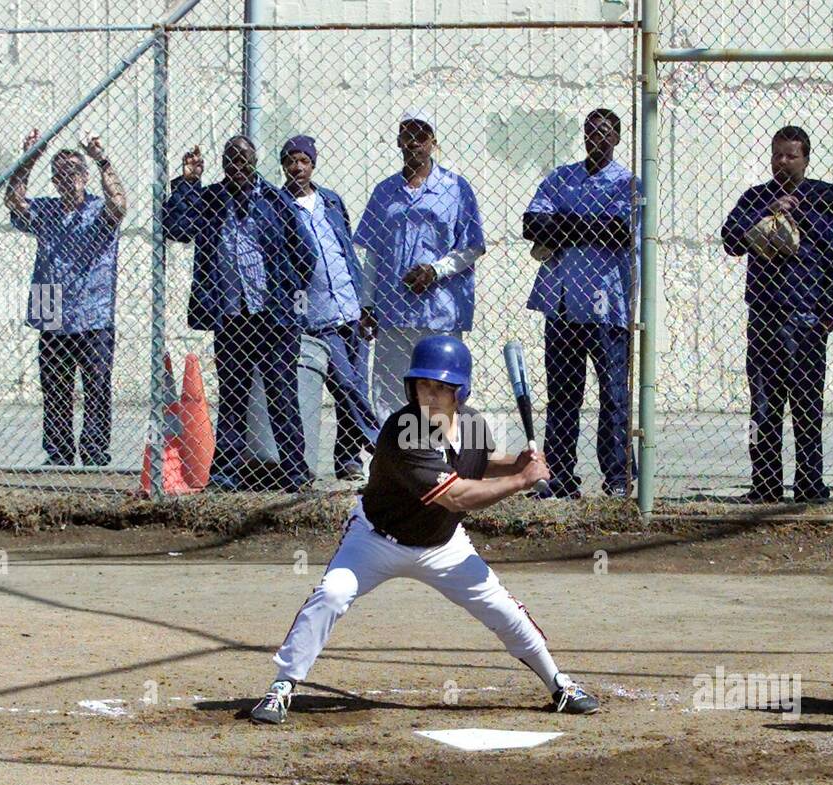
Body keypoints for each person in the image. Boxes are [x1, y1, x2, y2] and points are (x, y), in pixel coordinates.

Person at [248, 335, 599, 725]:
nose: (429, 396)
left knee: (501, 607)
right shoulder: (404, 430)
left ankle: (558, 683)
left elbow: (476, 464)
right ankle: (282, 685)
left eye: (441, 388)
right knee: (332, 594)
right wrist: (521, 482)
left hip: (442, 545)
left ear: (459, 392)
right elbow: (458, 497)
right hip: (377, 539)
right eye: (423, 385)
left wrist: (515, 464)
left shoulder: (473, 424)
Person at [722, 126, 833, 503]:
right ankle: (766, 484)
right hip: (764, 317)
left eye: (791, 155)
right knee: (763, 406)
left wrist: (828, 312)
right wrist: (767, 212)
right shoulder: (756, 198)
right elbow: (730, 239)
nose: (783, 162)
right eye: (777, 155)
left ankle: (809, 483)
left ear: (806, 158)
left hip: (805, 318)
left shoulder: (825, 201)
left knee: (806, 405)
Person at [162, 135, 313, 491]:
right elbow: (177, 228)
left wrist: (289, 298)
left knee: (281, 395)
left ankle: (295, 472)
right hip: (232, 318)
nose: (237, 168)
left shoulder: (275, 201)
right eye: (231, 161)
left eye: (243, 160)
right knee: (232, 398)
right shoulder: (212, 199)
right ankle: (225, 475)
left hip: (273, 320)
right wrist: (188, 182)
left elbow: (305, 255)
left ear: (255, 161)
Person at [522, 109, 639, 499]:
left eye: (605, 133)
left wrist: (564, 224)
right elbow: (531, 224)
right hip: (562, 305)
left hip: (608, 306)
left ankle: (618, 477)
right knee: (563, 396)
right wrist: (588, 225)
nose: (597, 139)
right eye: (590, 132)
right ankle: (558, 477)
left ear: (618, 137)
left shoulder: (627, 183)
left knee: (614, 397)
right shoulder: (561, 177)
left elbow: (620, 231)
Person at [355, 110, 485, 425]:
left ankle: (439, 457)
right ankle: (393, 458)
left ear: (433, 142)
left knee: (439, 387)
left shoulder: (455, 188)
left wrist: (435, 270)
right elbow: (372, 252)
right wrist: (368, 304)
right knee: (390, 388)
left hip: (439, 311)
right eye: (408, 135)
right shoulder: (385, 192)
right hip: (394, 309)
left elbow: (471, 245)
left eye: (421, 136)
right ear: (399, 141)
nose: (414, 142)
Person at [6, 130, 126, 467]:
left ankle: (94, 450)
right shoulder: (45, 210)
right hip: (50, 305)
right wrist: (28, 159)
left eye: (74, 170)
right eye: (60, 173)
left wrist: (102, 159)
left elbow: (120, 204)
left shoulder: (99, 209)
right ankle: (58, 451)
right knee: (55, 388)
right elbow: (14, 202)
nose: (67, 178)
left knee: (97, 385)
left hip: (93, 309)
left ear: (85, 176)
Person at [279, 135, 380, 482]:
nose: (298, 167)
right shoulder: (280, 206)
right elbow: (286, 266)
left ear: (313, 164)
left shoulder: (331, 202)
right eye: (291, 161)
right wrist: (299, 313)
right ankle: (381, 443)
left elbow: (349, 254)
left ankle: (348, 459)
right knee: (345, 384)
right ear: (283, 166)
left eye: (303, 161)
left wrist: (367, 304)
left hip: (351, 307)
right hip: (318, 316)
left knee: (354, 389)